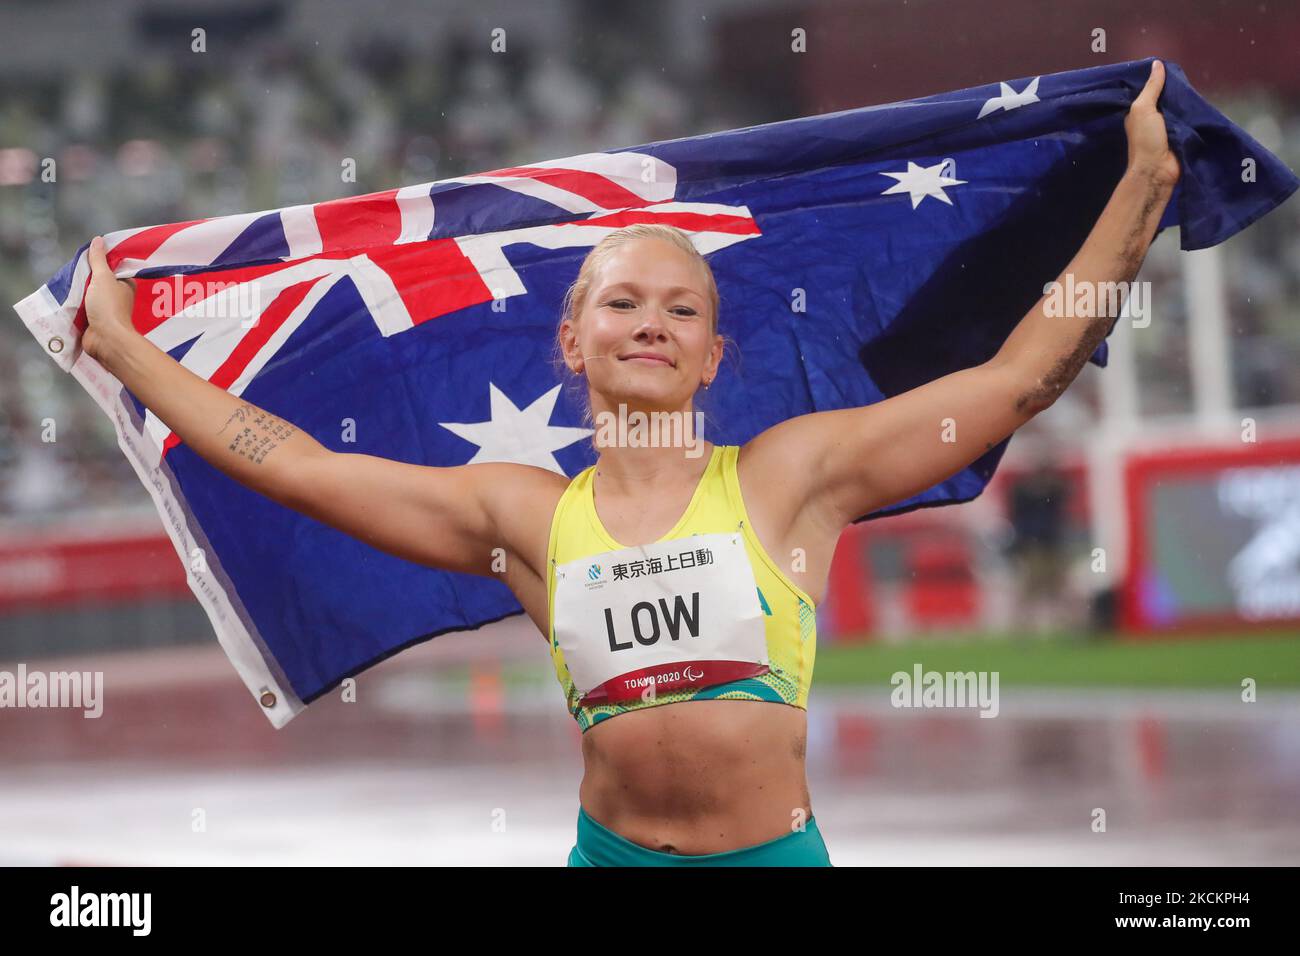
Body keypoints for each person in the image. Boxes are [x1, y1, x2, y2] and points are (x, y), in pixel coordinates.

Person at [80, 61, 1181, 866]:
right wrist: (125, 349)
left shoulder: (786, 477)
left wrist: (1141, 188)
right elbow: (299, 466)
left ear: (712, 355)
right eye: (621, 301)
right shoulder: (521, 512)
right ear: (573, 339)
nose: (650, 323)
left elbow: (1018, 381)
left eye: (681, 308)